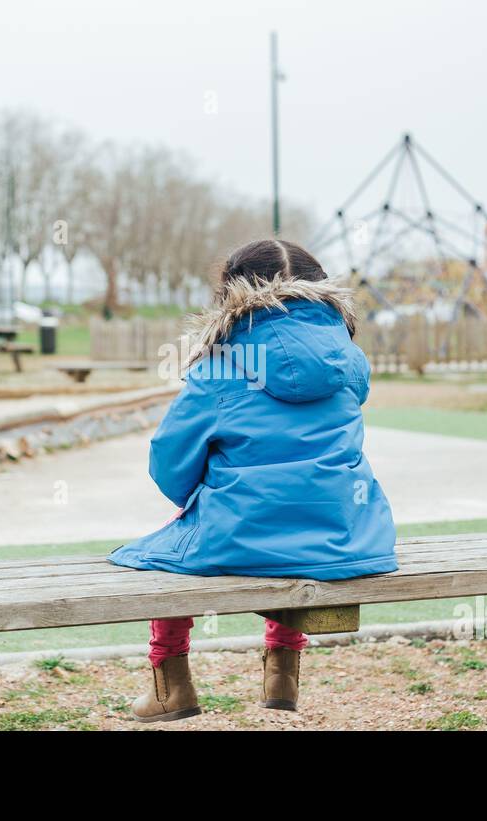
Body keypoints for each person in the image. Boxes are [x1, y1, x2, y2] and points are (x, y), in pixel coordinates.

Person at [109, 238, 397, 722]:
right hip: (347, 535)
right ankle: (282, 671)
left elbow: (168, 461)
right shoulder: (349, 363)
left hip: (241, 536)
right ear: (320, 290)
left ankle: (170, 685)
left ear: (231, 293)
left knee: (171, 550)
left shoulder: (219, 366)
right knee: (296, 513)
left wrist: (201, 497)